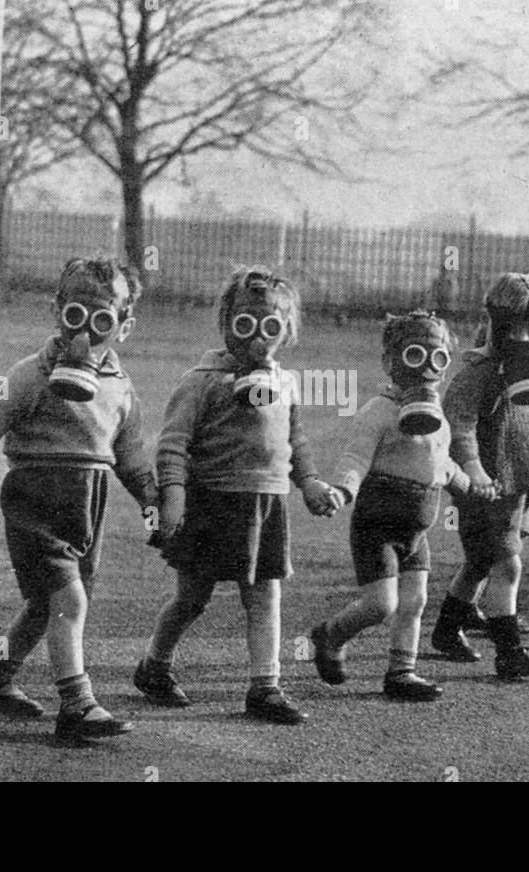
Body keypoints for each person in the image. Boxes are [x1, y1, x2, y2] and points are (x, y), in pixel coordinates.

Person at [0, 258, 157, 747]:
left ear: (123, 327)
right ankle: (77, 704)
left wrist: (155, 506)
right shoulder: (29, 375)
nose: (85, 331)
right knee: (69, 599)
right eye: (75, 315)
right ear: (56, 311)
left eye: (101, 320)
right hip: (35, 501)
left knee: (44, 607)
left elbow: (131, 460)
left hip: (89, 504)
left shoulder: (122, 389)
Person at [133, 267, 342, 724]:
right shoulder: (202, 381)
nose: (258, 339)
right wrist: (173, 496)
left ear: (286, 333)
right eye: (245, 325)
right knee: (191, 598)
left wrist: (308, 483)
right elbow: (172, 444)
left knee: (265, 596)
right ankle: (154, 666)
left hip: (265, 505)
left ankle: (265, 687)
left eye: (272, 327)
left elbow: (295, 441)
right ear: (226, 324)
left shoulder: (285, 383)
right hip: (211, 503)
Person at [310, 311, 483, 702]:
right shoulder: (380, 411)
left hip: (416, 530)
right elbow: (356, 458)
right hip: (377, 526)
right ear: (391, 362)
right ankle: (330, 635)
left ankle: (402, 672)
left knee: (415, 601)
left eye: (438, 359)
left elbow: (443, 464)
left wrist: (471, 487)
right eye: (414, 356)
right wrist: (343, 490)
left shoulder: (437, 418)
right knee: (381, 604)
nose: (426, 370)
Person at [429, 274, 529, 681]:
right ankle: (509, 652)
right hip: (489, 487)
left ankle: (448, 628)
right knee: (508, 565)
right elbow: (460, 424)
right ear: (497, 327)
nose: (527, 338)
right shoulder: (479, 373)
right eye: (518, 329)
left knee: (481, 562)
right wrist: (473, 468)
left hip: (519, 480)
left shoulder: (520, 372)